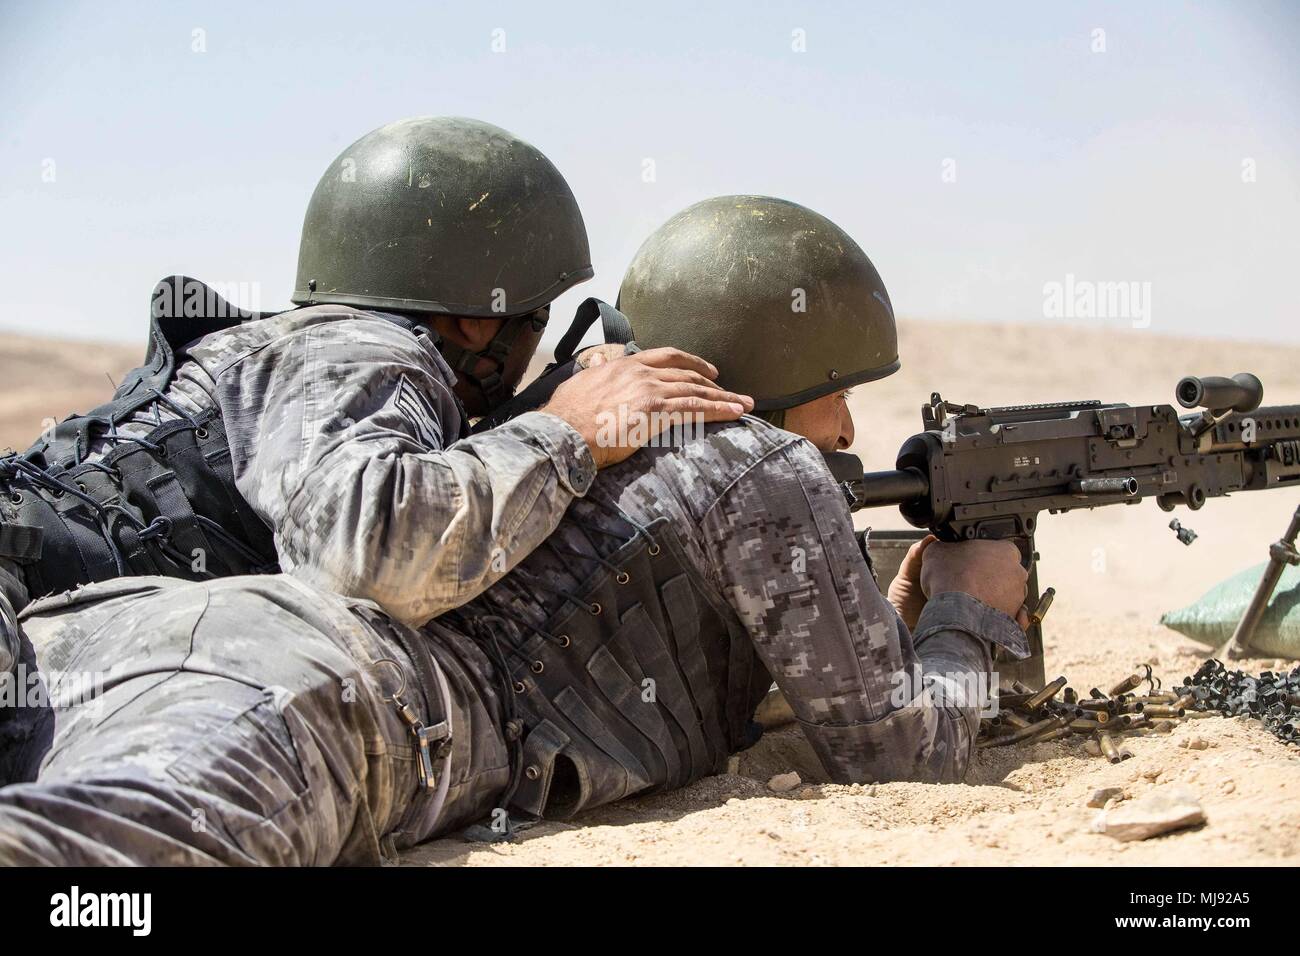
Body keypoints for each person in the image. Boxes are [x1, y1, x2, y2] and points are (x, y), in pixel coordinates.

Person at [0, 196, 1026, 865]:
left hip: (114, 626)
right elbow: (906, 754)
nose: (848, 429)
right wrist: (966, 612)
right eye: (840, 391)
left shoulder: (556, 427)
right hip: (328, 692)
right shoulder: (765, 463)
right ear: (781, 367)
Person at [0, 117, 752, 672]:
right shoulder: (364, 352)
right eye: (536, 318)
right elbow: (372, 558)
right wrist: (569, 430)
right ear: (473, 316)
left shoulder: (313, 343)